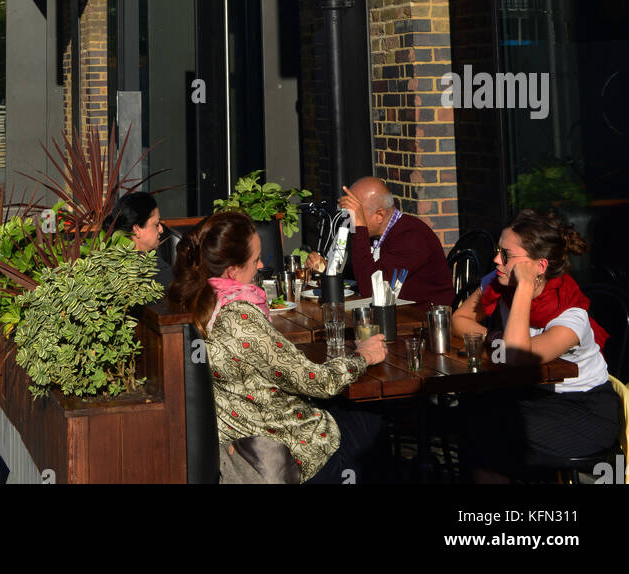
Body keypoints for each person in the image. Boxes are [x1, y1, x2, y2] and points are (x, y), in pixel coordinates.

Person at [169, 210, 390, 483]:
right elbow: (317, 381)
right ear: (232, 270)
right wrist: (363, 356)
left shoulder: (192, 300)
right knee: (375, 422)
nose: (261, 265)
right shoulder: (239, 318)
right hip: (285, 448)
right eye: (255, 259)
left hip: (239, 437)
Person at [452, 209, 620, 482]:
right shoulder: (499, 283)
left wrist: (524, 287)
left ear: (538, 266)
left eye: (506, 255)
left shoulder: (571, 315)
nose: (496, 260)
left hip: (584, 409)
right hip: (531, 396)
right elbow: (458, 320)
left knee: (490, 435)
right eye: (498, 250)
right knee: (472, 416)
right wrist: (495, 338)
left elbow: (518, 356)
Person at [312, 177, 454, 306]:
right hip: (395, 315)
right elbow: (365, 271)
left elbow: (373, 290)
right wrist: (328, 268)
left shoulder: (412, 236)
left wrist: (360, 226)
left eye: (355, 214)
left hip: (423, 322)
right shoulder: (379, 235)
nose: (350, 221)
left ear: (379, 215)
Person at [105, 191, 172, 284]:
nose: (161, 229)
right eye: (156, 224)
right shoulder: (158, 272)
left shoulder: (105, 264)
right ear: (137, 230)